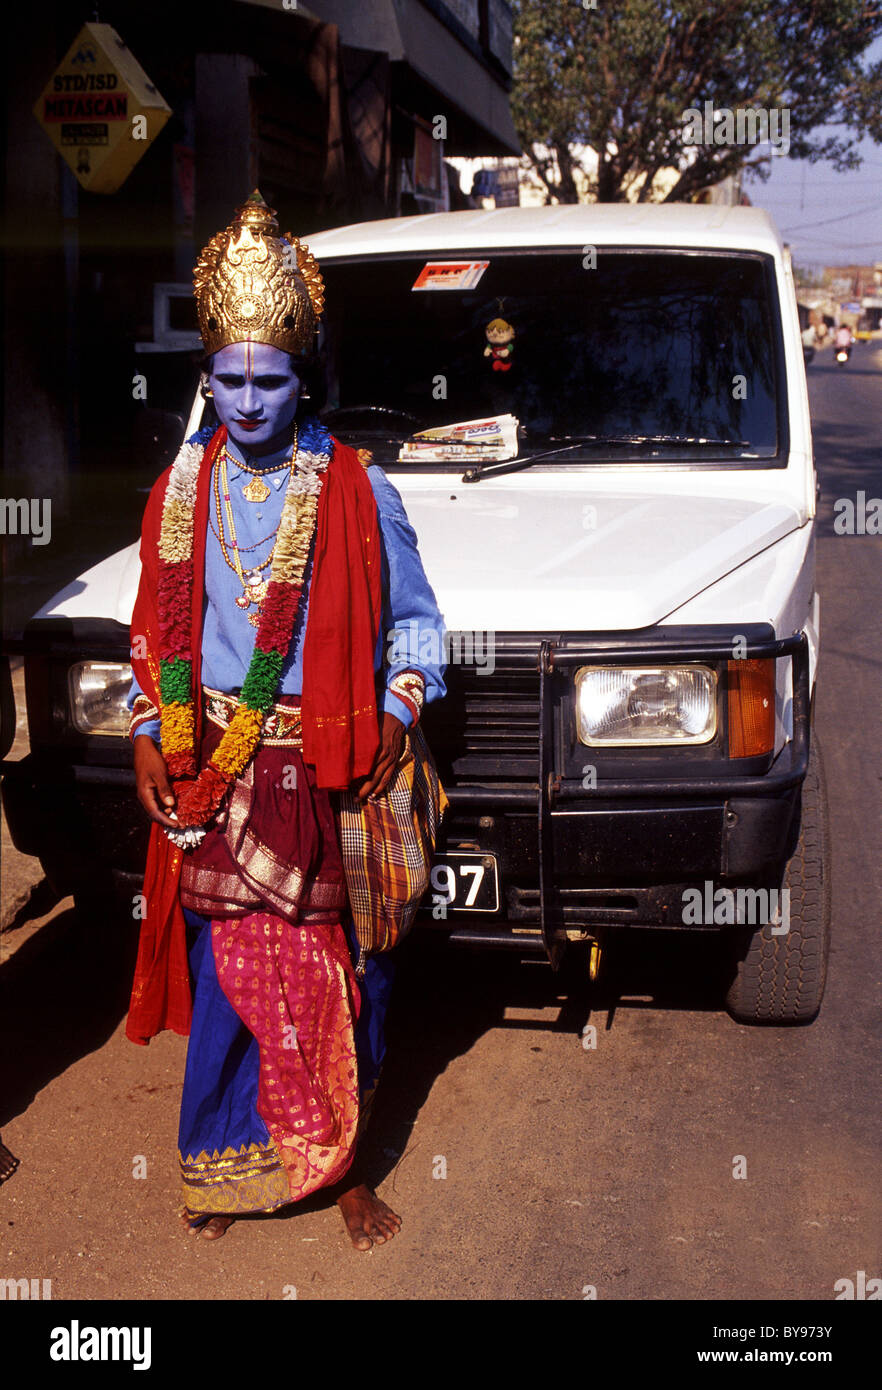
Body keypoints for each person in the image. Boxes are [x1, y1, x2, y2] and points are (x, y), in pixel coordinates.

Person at [125, 192, 446, 1248]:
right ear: (205, 377)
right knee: (231, 977)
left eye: (269, 381)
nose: (248, 402)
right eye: (228, 380)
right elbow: (149, 642)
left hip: (331, 765)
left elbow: (417, 627)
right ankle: (228, 1166)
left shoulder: (359, 489)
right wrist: (143, 734)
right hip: (215, 768)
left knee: (342, 976)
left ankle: (343, 1165)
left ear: (304, 378)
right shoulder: (182, 492)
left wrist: (398, 708)